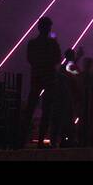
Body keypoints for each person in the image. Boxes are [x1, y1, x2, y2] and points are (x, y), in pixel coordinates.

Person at [24, 17, 62, 146]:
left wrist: (40, 64)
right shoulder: (52, 44)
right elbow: (57, 58)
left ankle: (22, 138)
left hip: (37, 77)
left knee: (31, 108)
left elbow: (30, 59)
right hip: (48, 78)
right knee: (46, 110)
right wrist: (47, 64)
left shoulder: (33, 43)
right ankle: (39, 140)